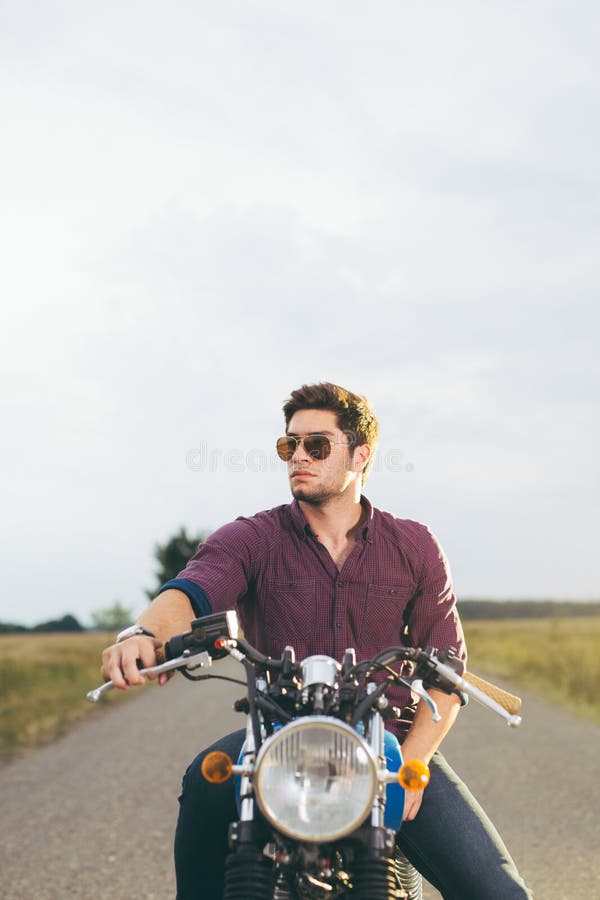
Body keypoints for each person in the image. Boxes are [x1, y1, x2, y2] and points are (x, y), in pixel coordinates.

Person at [101, 382, 532, 899]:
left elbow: (448, 668)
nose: (298, 456)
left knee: (498, 892)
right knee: (203, 781)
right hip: (278, 741)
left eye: (317, 445)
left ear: (360, 454)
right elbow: (192, 588)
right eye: (290, 445)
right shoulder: (252, 538)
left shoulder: (414, 546)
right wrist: (144, 634)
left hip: (388, 746)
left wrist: (414, 766)